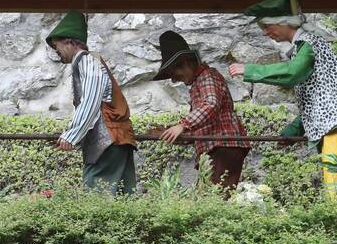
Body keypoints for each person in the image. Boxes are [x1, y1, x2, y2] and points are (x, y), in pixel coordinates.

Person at [228, 0, 337, 195]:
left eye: (267, 26)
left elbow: (292, 73)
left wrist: (250, 70)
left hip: (336, 123)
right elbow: (318, 98)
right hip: (332, 122)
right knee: (334, 181)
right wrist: (294, 130)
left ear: (285, 23)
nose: (265, 33)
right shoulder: (303, 46)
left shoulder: (309, 43)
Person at [45, 11, 138, 194]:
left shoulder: (87, 60)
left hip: (108, 141)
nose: (57, 52)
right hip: (117, 139)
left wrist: (72, 135)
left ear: (69, 42)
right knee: (123, 203)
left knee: (96, 200)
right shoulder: (91, 61)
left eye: (57, 46)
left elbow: (91, 100)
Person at [149, 30, 250, 192]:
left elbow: (211, 104)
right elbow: (202, 125)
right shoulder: (199, 83)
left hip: (224, 147)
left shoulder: (207, 77)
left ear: (186, 64)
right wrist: (171, 133)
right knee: (208, 199)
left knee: (213, 200)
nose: (174, 79)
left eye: (174, 73)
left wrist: (182, 125)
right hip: (216, 148)